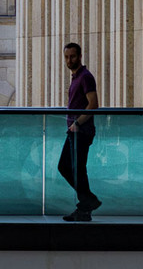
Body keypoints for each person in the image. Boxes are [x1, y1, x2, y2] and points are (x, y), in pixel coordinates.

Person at [58, 42, 100, 221]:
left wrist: (77, 123)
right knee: (74, 169)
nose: (69, 60)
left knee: (70, 168)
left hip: (81, 130)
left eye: (73, 56)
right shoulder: (76, 77)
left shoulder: (85, 77)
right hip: (75, 130)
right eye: (67, 57)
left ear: (80, 57)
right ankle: (85, 208)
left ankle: (87, 202)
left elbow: (93, 104)